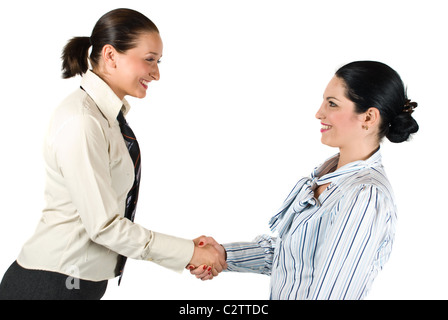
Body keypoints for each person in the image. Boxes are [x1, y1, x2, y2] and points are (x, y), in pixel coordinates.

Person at [0, 8, 225, 300]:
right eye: (149, 60)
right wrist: (188, 252)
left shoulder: (105, 119)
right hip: (51, 285)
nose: (156, 73)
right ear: (110, 55)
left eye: (157, 62)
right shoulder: (83, 121)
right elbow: (104, 227)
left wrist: (188, 251)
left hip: (77, 283)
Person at [190, 61, 419, 299]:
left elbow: (332, 294)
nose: (319, 113)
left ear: (369, 117)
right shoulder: (325, 177)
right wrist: (223, 255)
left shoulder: (365, 195)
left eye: (332, 104)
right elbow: (292, 258)